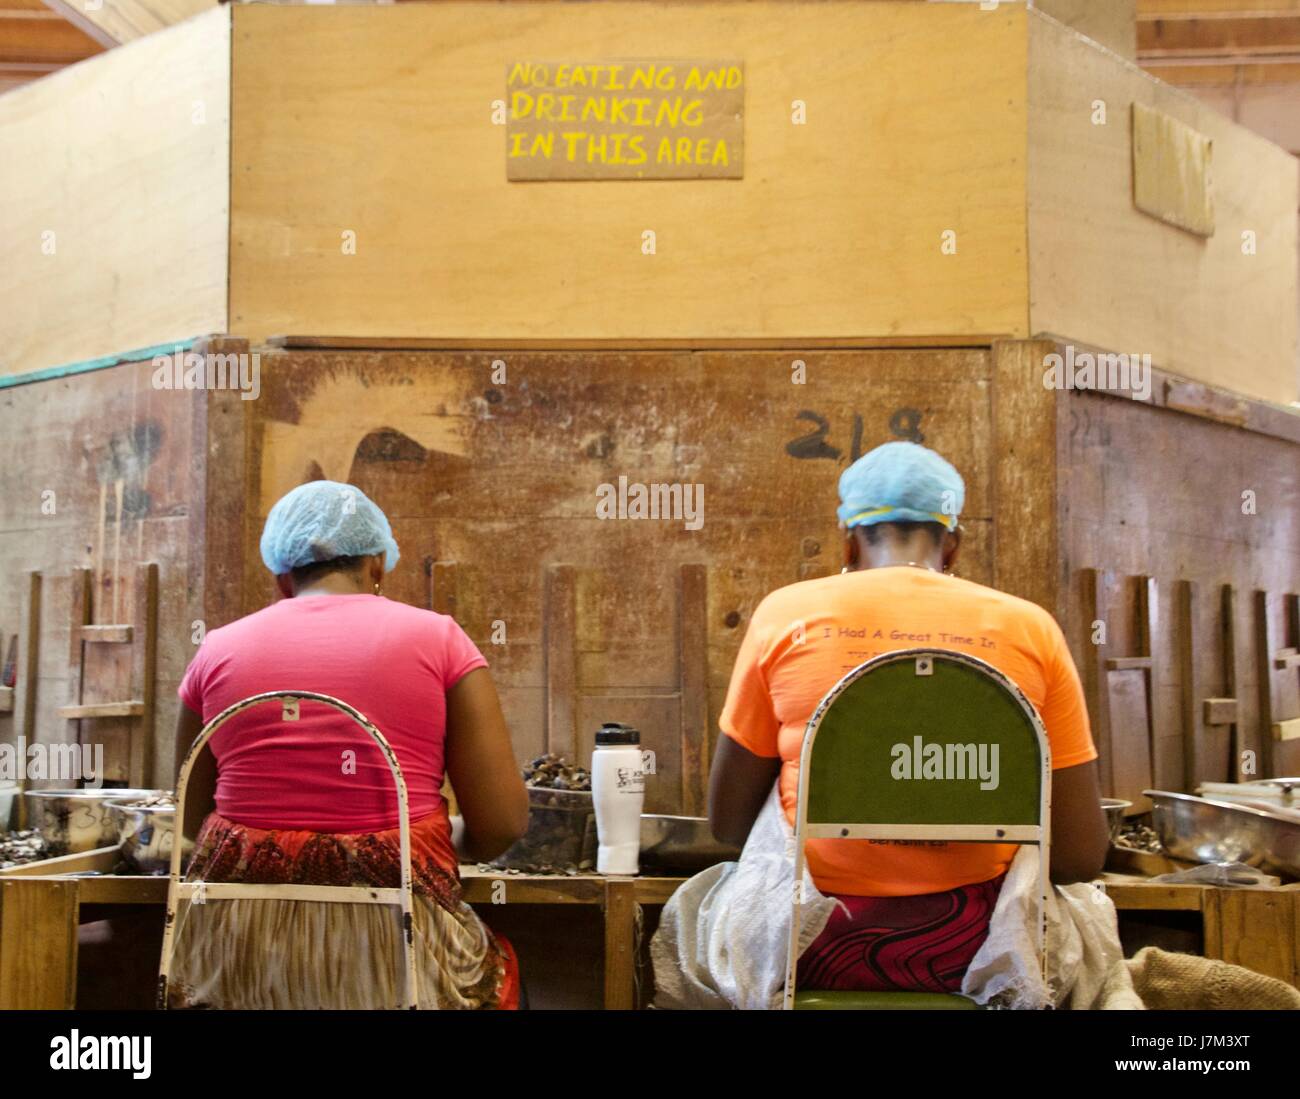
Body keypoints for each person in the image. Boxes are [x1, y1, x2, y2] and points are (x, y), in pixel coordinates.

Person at [708, 441, 1108, 995]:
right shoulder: (1030, 628)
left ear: (848, 540)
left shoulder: (786, 614)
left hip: (812, 948)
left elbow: (727, 824)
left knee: (691, 917)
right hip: (976, 952)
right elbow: (1081, 855)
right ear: (953, 547)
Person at [169, 480, 529, 1009]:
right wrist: (411, 842)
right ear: (378, 564)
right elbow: (501, 825)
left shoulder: (216, 649)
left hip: (236, 971)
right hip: (397, 966)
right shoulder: (440, 640)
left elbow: (187, 821)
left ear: (281, 577)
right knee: (500, 968)